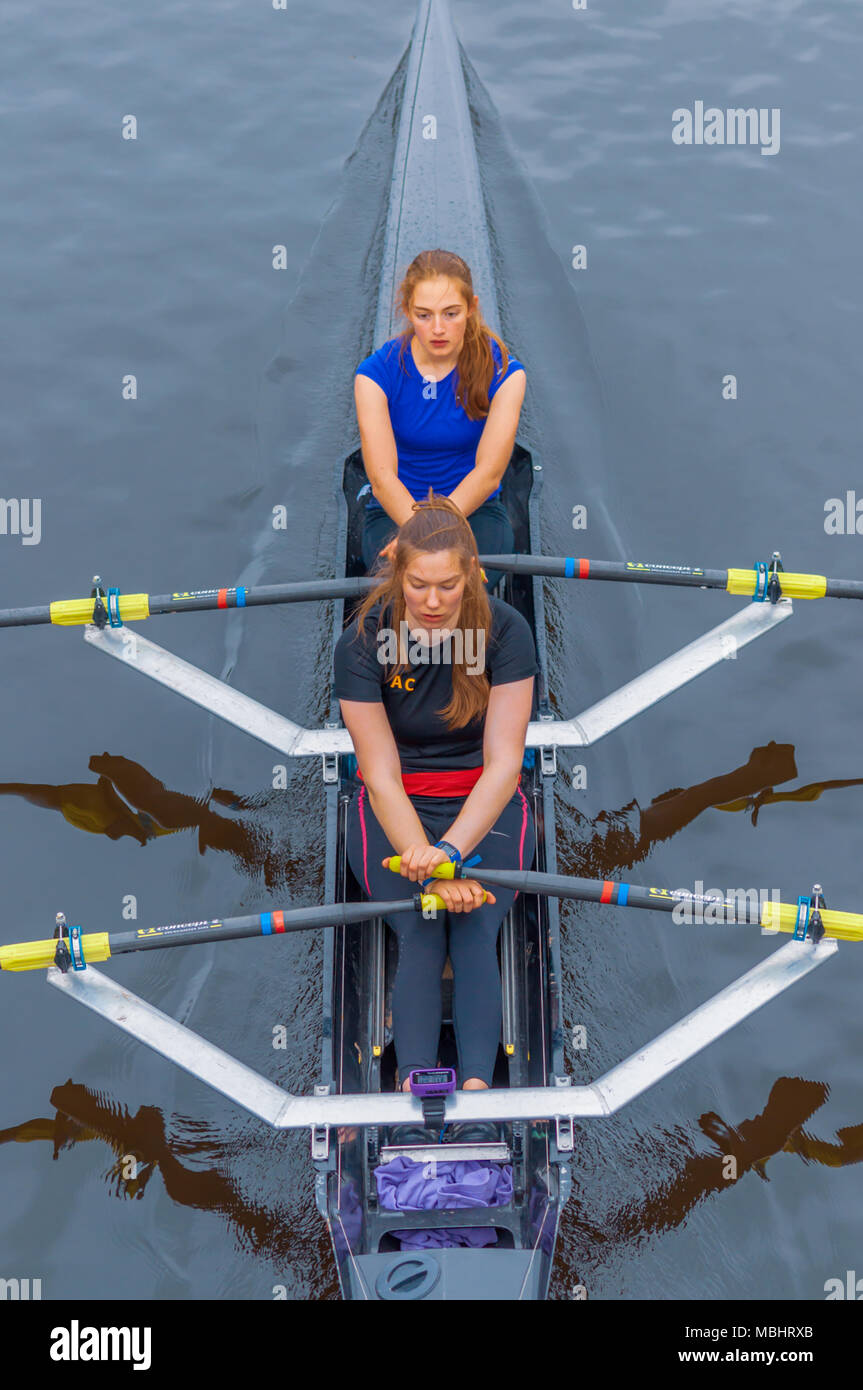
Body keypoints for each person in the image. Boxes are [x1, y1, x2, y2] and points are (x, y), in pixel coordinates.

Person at [334, 493, 536, 1127]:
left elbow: (505, 764)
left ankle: (476, 1097)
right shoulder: (362, 643)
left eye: (448, 585)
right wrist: (429, 861)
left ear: (472, 573)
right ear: (398, 575)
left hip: (485, 801)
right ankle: (415, 1091)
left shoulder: (506, 631)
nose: (431, 600)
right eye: (417, 584)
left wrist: (449, 855)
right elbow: (380, 772)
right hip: (396, 805)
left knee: (477, 930)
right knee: (421, 929)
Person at [354, 249, 526, 588]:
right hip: (395, 512)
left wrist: (431, 535)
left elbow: (489, 474)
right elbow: (382, 478)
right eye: (423, 315)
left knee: (461, 590)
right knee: (411, 591)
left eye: (451, 314)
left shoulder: (506, 373)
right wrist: (423, 534)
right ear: (406, 312)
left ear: (472, 308)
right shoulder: (374, 375)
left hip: (474, 510)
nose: (437, 329)